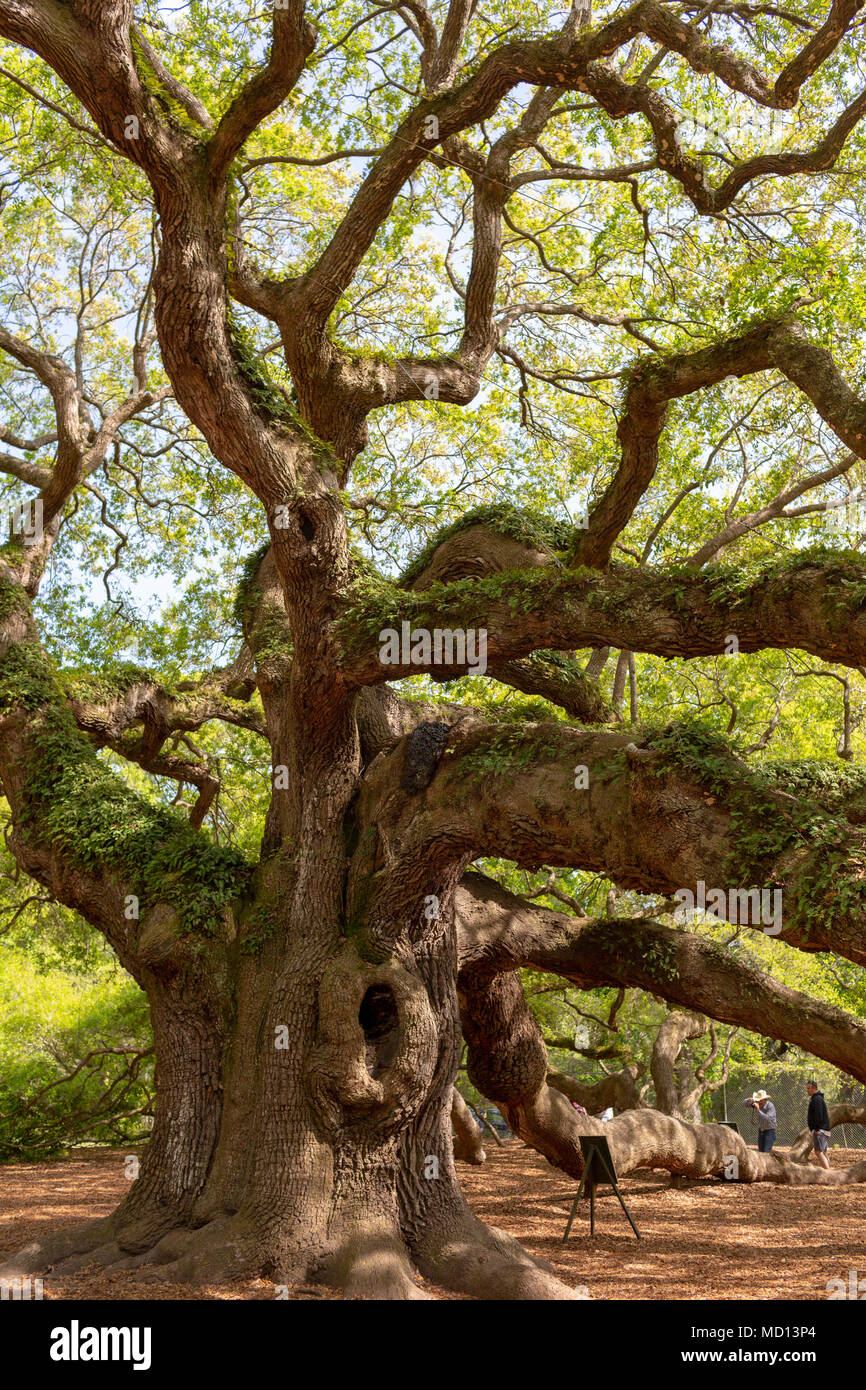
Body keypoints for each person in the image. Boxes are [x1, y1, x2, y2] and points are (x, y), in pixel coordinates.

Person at [806, 1079, 832, 1170]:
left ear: (814, 1088)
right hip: (822, 1129)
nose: (807, 1090)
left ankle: (828, 1173)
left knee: (818, 1152)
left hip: (820, 1130)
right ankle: (829, 1171)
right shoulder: (817, 1098)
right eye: (807, 1088)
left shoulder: (817, 1099)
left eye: (809, 1088)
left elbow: (818, 1115)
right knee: (823, 1152)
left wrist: (817, 1129)